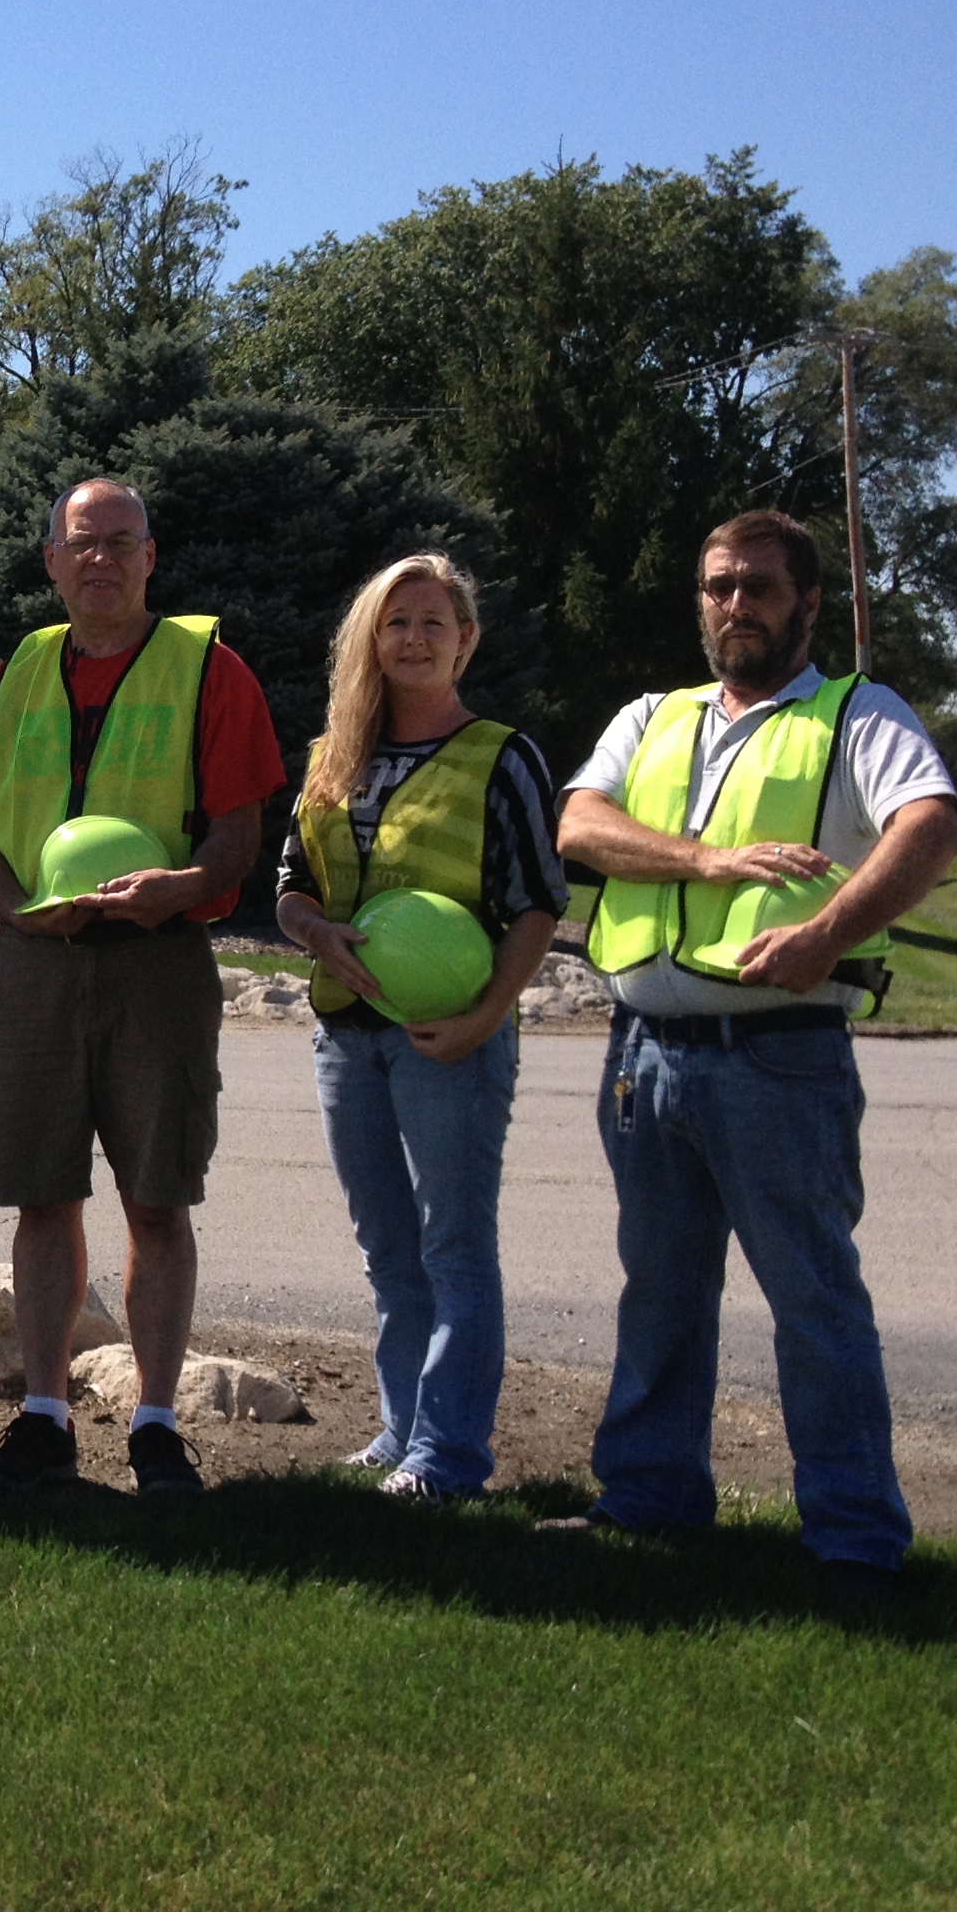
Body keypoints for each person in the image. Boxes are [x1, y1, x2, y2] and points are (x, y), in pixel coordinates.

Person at [549, 509, 957, 1598]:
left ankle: (855, 1535)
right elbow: (579, 825)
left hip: (782, 1054)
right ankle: (648, 1499)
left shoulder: (853, 715)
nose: (736, 606)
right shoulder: (655, 716)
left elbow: (930, 823)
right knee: (662, 1294)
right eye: (719, 587)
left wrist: (829, 934)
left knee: (814, 1301)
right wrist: (708, 861)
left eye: (760, 589)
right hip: (646, 1051)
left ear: (808, 605)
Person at [0, 477, 287, 1493]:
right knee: (39, 1196)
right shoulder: (15, 677)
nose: (101, 560)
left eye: (120, 543)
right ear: (51, 561)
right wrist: (16, 910)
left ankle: (157, 1420)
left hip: (158, 962)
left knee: (157, 1199)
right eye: (82, 544)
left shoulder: (209, 672)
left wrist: (181, 887)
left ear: (150, 557)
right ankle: (42, 1413)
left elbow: (236, 835)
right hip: (39, 964)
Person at [273, 555, 565, 1500]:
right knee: (388, 1248)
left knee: (454, 1246)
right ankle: (401, 1432)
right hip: (345, 1035)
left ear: (466, 640)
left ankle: (451, 1456)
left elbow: (538, 905)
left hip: (449, 1038)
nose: (414, 639)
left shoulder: (503, 756)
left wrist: (486, 1017)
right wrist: (316, 930)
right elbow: (289, 890)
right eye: (396, 622)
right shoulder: (332, 756)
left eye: (434, 622)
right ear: (370, 638)